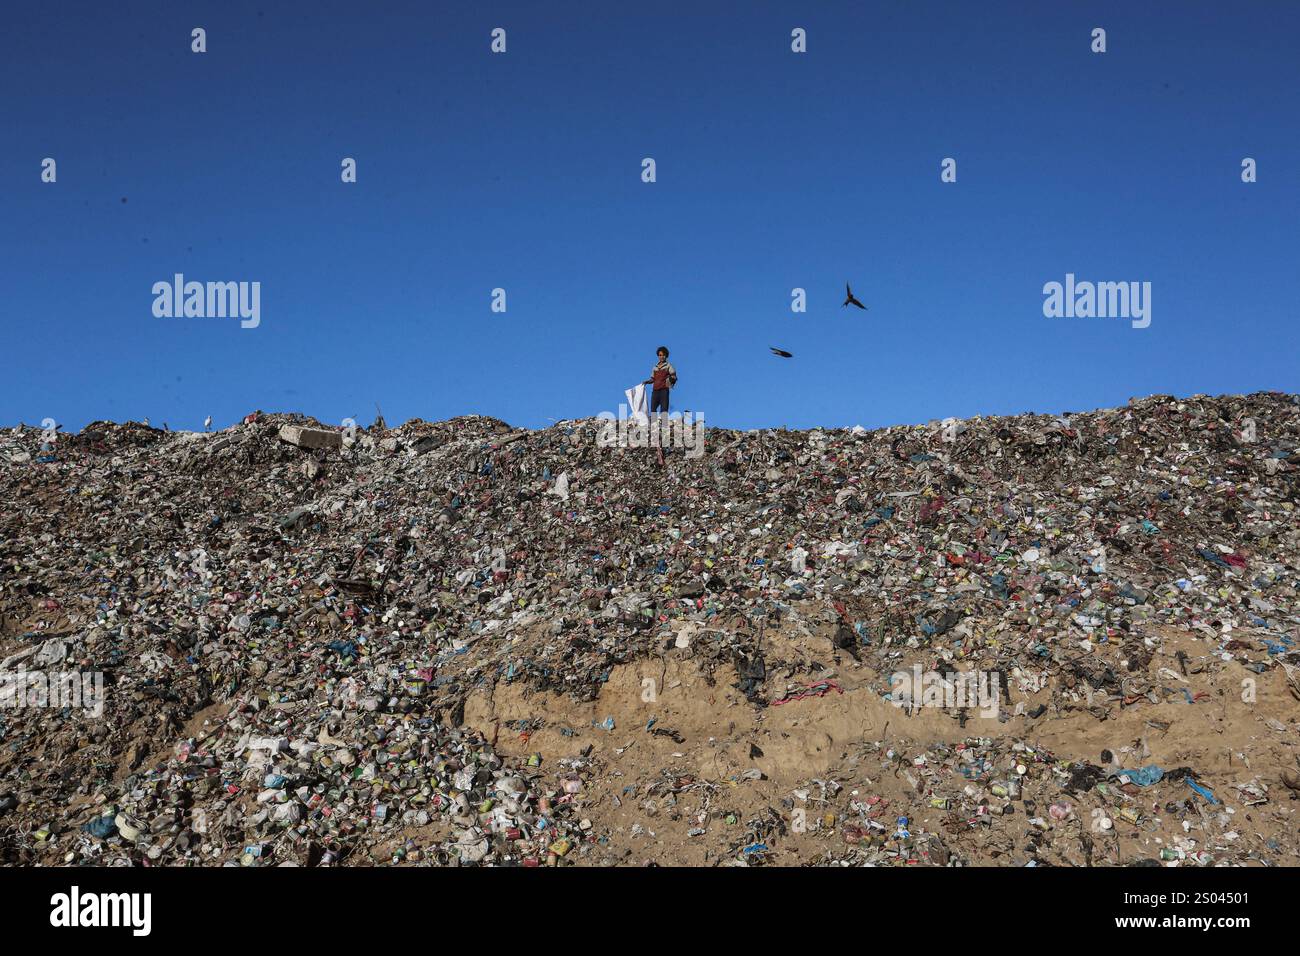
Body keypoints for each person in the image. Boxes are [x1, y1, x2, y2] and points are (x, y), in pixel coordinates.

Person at [643, 346, 677, 465]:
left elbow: (674, 375)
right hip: (655, 391)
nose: (661, 356)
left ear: (666, 356)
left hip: (664, 390)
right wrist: (647, 382)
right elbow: (653, 378)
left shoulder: (668, 366)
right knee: (652, 410)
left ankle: (664, 430)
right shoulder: (655, 367)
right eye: (659, 355)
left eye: (663, 355)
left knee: (664, 410)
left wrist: (671, 379)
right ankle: (653, 429)